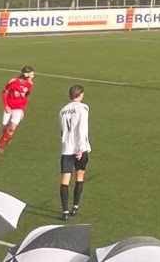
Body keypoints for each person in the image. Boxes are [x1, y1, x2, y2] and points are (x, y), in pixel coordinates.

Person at [59, 84, 90, 221]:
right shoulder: (83, 109)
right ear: (81, 94)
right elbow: (82, 128)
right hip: (79, 149)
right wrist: (81, 147)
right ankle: (75, 206)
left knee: (65, 180)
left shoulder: (62, 110)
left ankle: (65, 211)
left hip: (66, 149)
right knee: (79, 177)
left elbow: (62, 130)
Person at [0, 66, 35, 153]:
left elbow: (26, 97)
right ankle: (7, 136)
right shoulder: (13, 82)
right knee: (5, 127)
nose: (33, 76)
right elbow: (4, 93)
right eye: (32, 74)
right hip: (9, 107)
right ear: (26, 75)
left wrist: (23, 110)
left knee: (12, 128)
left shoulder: (30, 85)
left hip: (18, 108)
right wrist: (6, 106)